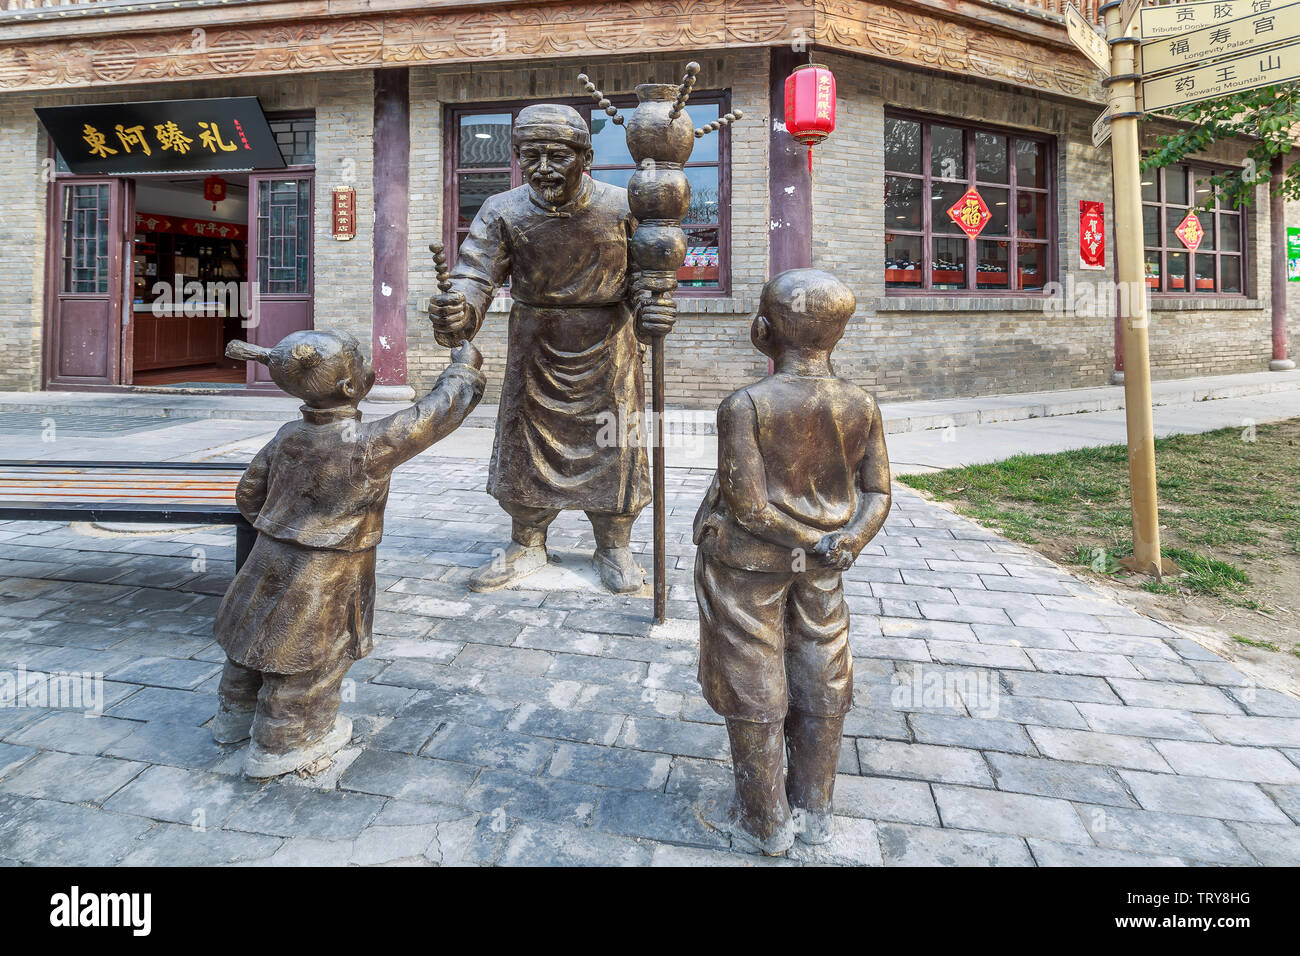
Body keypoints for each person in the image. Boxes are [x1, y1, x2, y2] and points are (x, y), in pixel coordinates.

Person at [211, 330, 485, 778]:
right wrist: (463, 369)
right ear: (352, 387)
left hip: (267, 558)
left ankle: (233, 717)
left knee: (249, 641)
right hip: (329, 570)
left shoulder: (287, 436)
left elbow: (248, 494)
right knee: (307, 655)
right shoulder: (365, 444)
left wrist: (281, 524)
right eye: (358, 359)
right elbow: (432, 417)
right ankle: (283, 742)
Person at [428, 103, 674, 594]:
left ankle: (614, 545)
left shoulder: (624, 207)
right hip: (535, 343)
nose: (542, 168)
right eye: (529, 155)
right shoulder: (503, 210)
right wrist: (459, 308)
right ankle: (526, 541)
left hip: (608, 346)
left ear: (585, 156)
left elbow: (648, 277)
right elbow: (475, 273)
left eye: (557, 155)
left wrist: (653, 308)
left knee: (613, 445)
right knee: (525, 448)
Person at [693, 269, 891, 854]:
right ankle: (814, 807)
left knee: (751, 674)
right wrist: (843, 540)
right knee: (823, 669)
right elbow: (879, 493)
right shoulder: (860, 403)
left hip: (747, 569)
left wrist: (805, 540)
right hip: (824, 565)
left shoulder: (746, 405)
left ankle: (765, 818)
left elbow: (749, 508)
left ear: (763, 331)